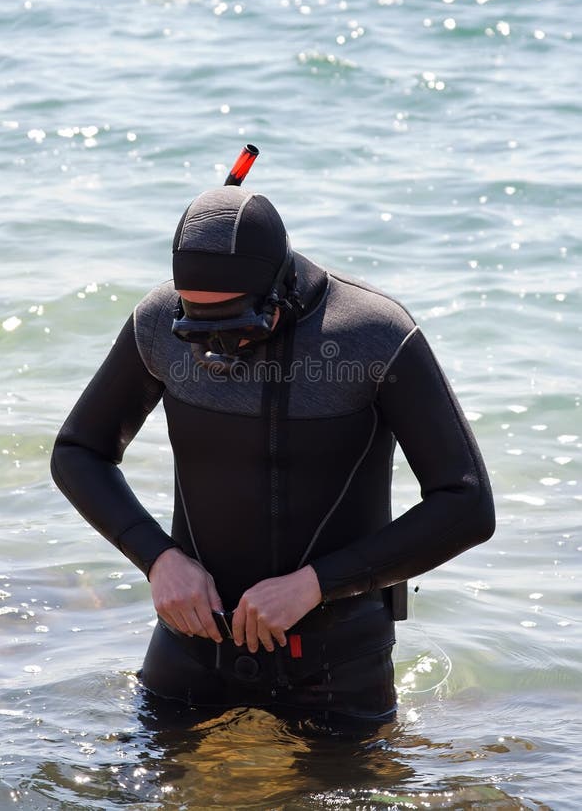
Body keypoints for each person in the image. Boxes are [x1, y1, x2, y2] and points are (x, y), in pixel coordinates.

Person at [51, 182, 495, 727]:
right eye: (199, 327)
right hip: (191, 647)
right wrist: (158, 559)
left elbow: (466, 503)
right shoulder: (157, 323)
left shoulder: (373, 334)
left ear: (278, 291)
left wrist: (314, 585)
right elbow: (78, 451)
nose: (218, 349)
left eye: (236, 327)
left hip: (337, 661)